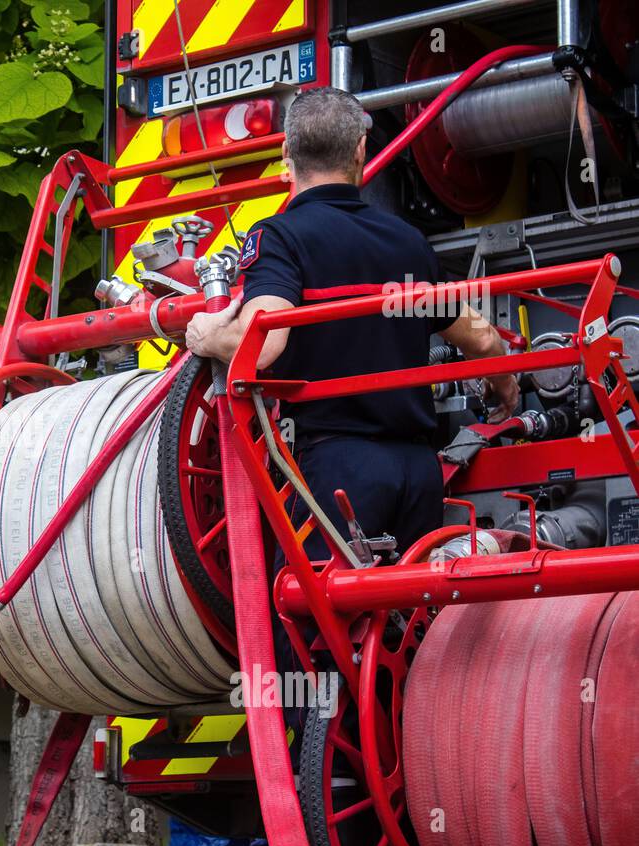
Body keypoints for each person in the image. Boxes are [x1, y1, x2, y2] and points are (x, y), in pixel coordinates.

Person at [185, 86, 518, 560]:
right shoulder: (407, 242)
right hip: (418, 473)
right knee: (407, 624)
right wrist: (505, 388)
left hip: (340, 471)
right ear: (361, 150)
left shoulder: (280, 236)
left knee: (312, 627)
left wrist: (206, 333)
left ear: (286, 153)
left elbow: (263, 343)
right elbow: (482, 337)